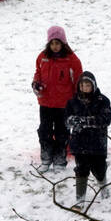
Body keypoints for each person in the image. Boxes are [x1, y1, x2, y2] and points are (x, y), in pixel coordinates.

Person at [33, 26, 83, 171]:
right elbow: (38, 72)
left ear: (63, 43)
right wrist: (36, 84)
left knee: (62, 132)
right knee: (45, 130)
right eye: (52, 43)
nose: (55, 46)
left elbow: (78, 80)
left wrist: (77, 101)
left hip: (64, 104)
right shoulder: (43, 57)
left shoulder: (71, 59)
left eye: (58, 43)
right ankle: (46, 157)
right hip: (46, 102)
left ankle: (60, 159)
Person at [65, 71, 111, 205]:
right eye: (82, 85)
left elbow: (106, 119)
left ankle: (104, 189)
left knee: (99, 169)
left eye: (87, 85)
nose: (84, 88)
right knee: (81, 169)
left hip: (97, 143)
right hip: (79, 143)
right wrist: (72, 121)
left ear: (94, 86)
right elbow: (66, 119)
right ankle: (80, 200)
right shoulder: (73, 102)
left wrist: (85, 121)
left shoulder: (102, 100)